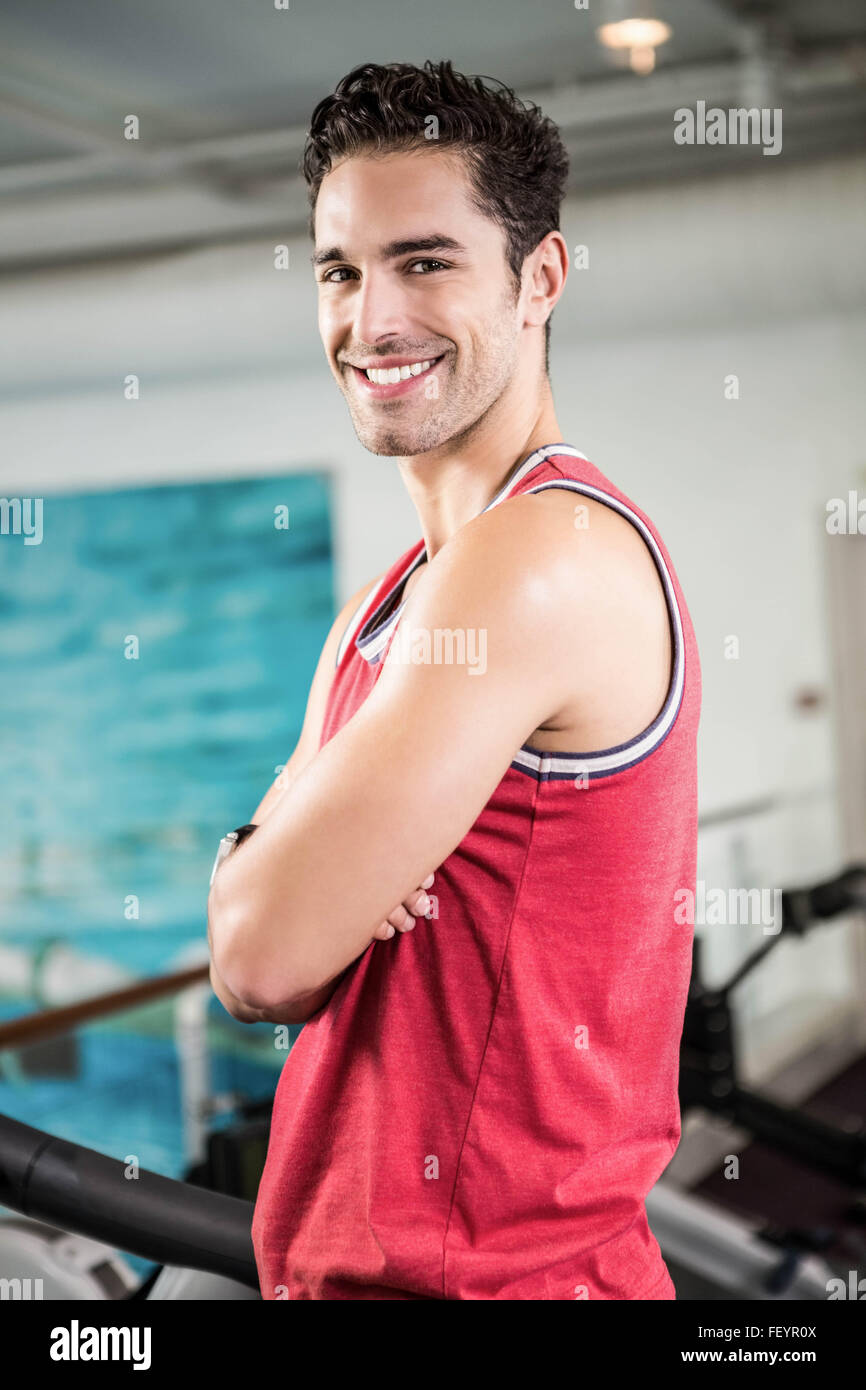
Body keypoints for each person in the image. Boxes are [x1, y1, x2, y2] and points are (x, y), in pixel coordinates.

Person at [207, 59, 701, 1300]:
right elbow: (267, 924)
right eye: (339, 270)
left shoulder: (535, 557)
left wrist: (280, 867)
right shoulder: (389, 601)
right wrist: (281, 873)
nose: (370, 320)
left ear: (539, 279)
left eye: (423, 262)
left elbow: (260, 956)